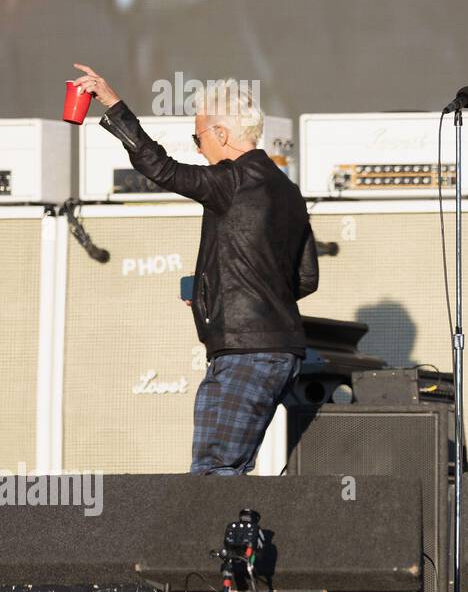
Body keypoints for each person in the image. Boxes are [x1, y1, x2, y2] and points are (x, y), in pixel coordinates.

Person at [71, 64, 318, 474]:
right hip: (276, 350)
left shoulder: (232, 179)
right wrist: (226, 289)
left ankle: (226, 538)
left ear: (221, 134)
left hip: (246, 350)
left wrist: (113, 104)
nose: (199, 148)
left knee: (214, 471)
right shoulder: (288, 191)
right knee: (218, 469)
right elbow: (306, 278)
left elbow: (161, 168)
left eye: (198, 137)